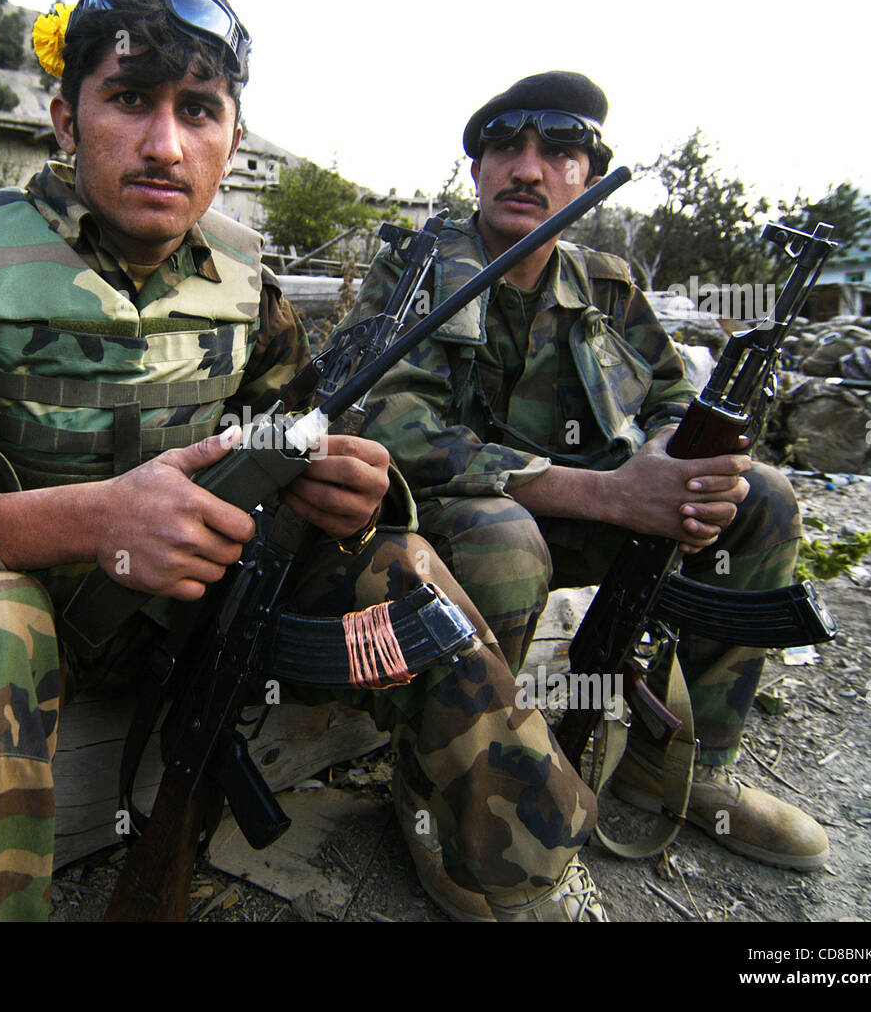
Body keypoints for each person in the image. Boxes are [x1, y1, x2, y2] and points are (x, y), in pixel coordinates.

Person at [0, 0, 606, 923]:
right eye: (128, 100)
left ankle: (517, 867)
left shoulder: (247, 289)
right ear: (66, 119)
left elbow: (303, 437)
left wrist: (356, 493)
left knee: (403, 566)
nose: (165, 145)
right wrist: (86, 519)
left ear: (232, 141)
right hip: (13, 643)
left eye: (198, 110)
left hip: (196, 617)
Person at [340, 70, 829, 873]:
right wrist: (612, 494)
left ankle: (684, 771)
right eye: (505, 148)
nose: (527, 169)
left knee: (762, 498)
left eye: (559, 151)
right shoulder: (418, 271)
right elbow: (393, 427)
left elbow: (673, 393)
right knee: (505, 538)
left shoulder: (606, 283)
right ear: (478, 171)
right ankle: (447, 797)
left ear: (591, 180)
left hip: (596, 519)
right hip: (454, 529)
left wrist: (670, 462)